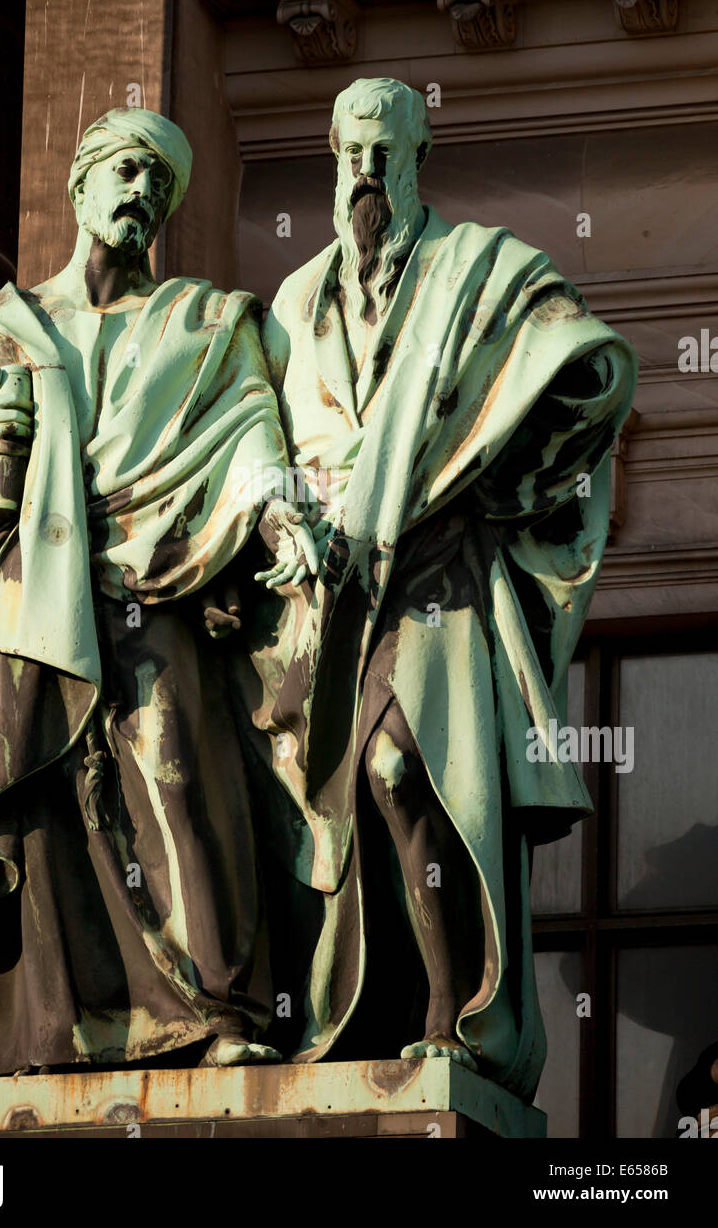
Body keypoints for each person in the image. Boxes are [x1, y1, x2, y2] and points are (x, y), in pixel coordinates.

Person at [0, 107, 316, 1075]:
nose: (140, 195)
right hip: (32, 595)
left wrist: (277, 512)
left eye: (159, 185)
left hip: (157, 585)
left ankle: (222, 1010)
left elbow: (251, 432)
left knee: (177, 784)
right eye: (124, 172)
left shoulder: (205, 321)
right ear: (77, 187)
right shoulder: (10, 326)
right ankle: (65, 1029)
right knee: (43, 805)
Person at [239, 77, 637, 1098]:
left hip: (437, 569)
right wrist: (282, 515)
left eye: (385, 150)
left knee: (401, 768)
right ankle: (357, 1015)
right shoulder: (291, 301)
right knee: (320, 797)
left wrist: (494, 452)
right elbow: (260, 438)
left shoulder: (481, 269)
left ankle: (450, 1009)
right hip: (329, 592)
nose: (365, 171)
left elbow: (587, 365)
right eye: (350, 153)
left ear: (420, 154)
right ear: (331, 159)